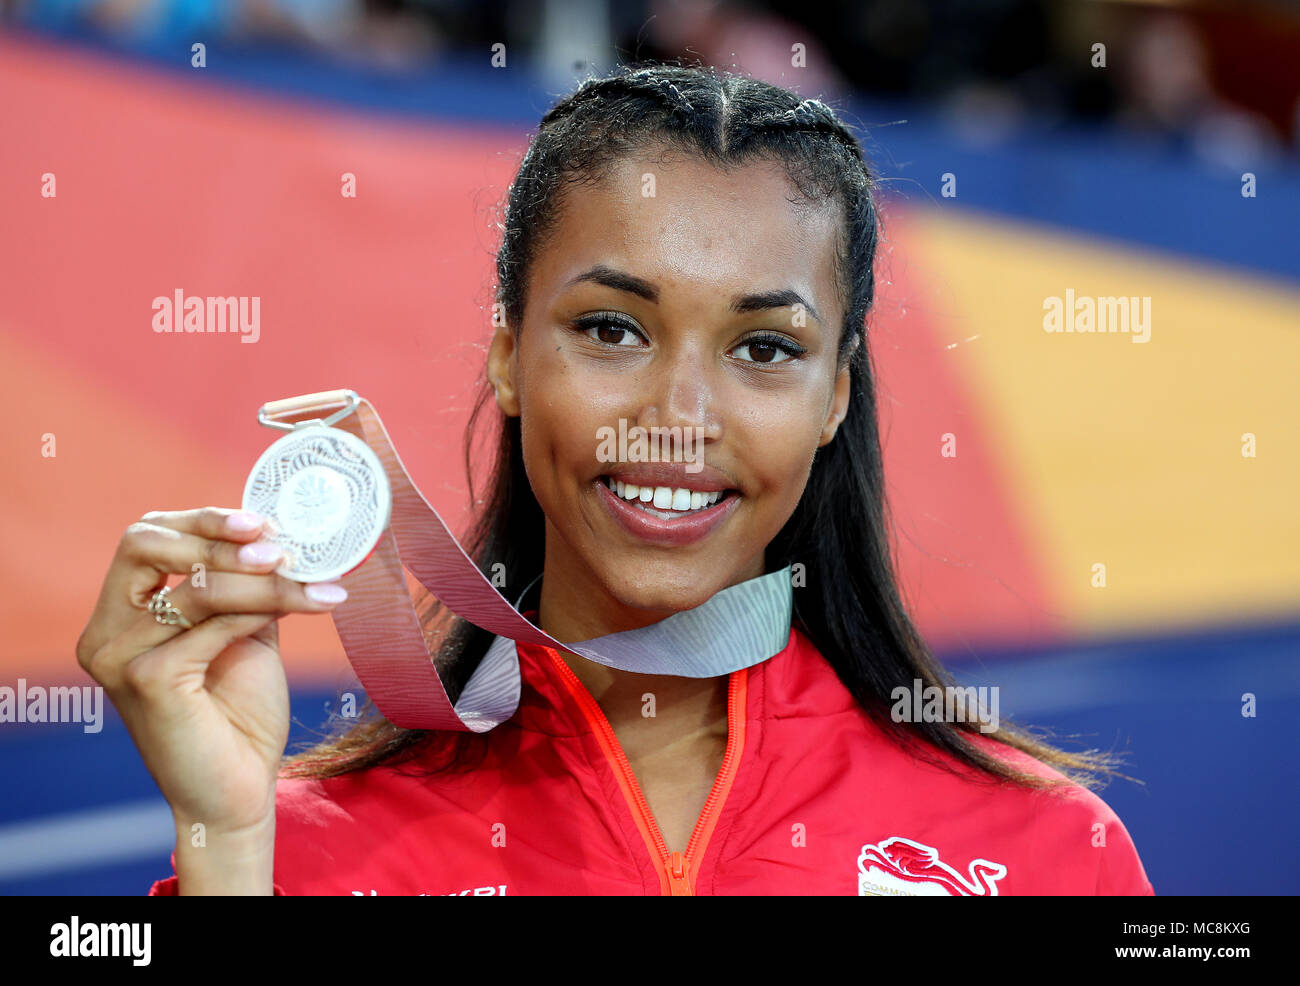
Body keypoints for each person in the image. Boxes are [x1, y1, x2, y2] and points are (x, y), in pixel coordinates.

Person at [76, 63, 1153, 896]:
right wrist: (225, 841)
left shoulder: (1045, 848)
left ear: (835, 394)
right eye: (611, 328)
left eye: (765, 348)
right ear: (506, 354)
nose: (680, 419)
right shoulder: (300, 845)